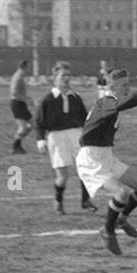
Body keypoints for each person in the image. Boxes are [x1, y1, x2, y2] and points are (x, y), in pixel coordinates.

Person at [75, 69, 137, 257]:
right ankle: (108, 230)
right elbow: (124, 103)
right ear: (111, 87)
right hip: (90, 159)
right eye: (122, 86)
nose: (126, 88)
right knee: (121, 193)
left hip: (106, 156)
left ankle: (122, 218)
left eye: (127, 84)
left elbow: (123, 105)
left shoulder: (114, 103)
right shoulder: (106, 101)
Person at [33, 61, 94, 214]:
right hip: (57, 137)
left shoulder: (75, 98)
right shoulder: (48, 99)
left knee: (84, 169)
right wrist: (40, 139)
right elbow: (39, 121)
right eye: (62, 75)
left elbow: (85, 119)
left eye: (68, 75)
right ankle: (58, 201)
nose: (66, 78)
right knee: (62, 176)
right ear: (55, 77)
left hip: (76, 135)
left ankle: (86, 201)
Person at [8, 59, 33, 154]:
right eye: (28, 67)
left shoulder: (20, 76)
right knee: (24, 127)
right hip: (17, 104)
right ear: (25, 67)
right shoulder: (17, 77)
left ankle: (17, 145)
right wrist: (26, 99)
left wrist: (27, 98)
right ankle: (16, 146)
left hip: (20, 103)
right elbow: (14, 93)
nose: (29, 69)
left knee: (30, 126)